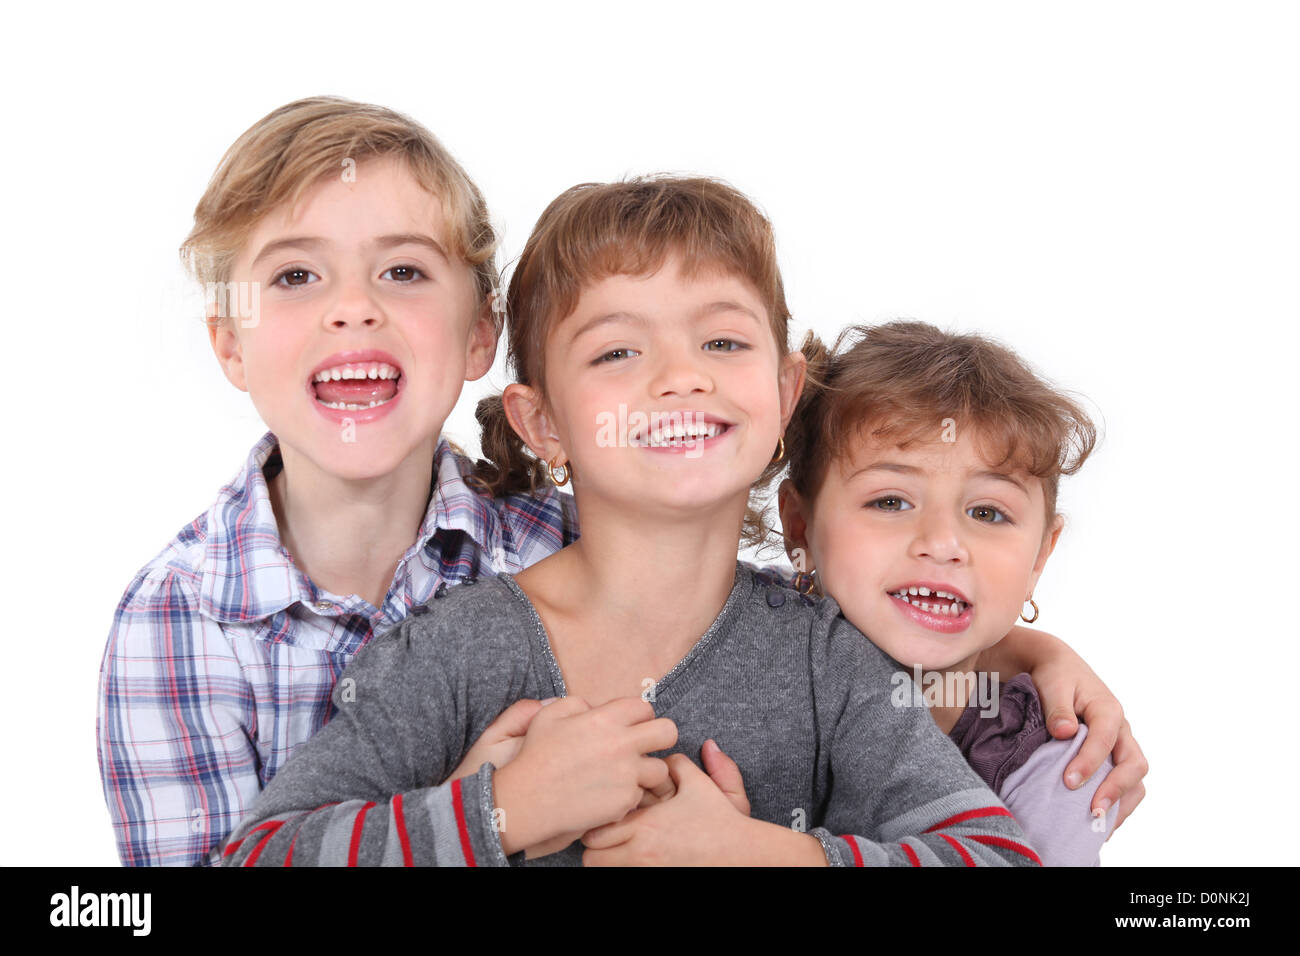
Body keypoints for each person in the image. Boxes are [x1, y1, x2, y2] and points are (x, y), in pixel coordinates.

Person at [220, 176, 1044, 866]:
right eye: (617, 352)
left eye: (723, 342)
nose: (681, 377)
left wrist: (760, 855)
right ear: (543, 425)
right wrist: (496, 813)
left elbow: (1003, 857)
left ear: (786, 395)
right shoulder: (459, 649)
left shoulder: (830, 662)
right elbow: (257, 857)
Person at [96, 97, 577, 866]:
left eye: (403, 271)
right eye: (296, 275)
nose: (354, 308)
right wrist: (478, 817)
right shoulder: (179, 620)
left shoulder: (567, 547)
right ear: (231, 345)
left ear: (479, 333)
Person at [776, 321, 1123, 864]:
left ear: (1039, 557)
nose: (942, 544)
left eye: (987, 512)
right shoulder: (739, 638)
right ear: (800, 527)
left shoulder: (1054, 767)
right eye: (890, 501)